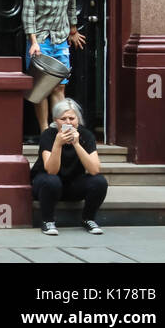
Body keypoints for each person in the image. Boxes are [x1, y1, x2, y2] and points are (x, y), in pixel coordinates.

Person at [23, 0, 84, 137]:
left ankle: (60, 131)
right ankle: (44, 134)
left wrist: (73, 30)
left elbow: (72, 3)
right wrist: (33, 41)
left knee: (59, 88)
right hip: (40, 41)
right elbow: (28, 11)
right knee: (40, 90)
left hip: (61, 40)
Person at [32, 98, 107, 235]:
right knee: (51, 181)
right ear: (55, 120)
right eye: (63, 119)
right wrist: (58, 144)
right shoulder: (48, 135)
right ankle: (48, 221)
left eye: (72, 118)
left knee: (99, 181)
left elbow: (94, 169)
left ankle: (88, 219)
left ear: (78, 119)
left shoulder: (86, 135)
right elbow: (51, 170)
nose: (68, 122)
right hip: (47, 184)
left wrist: (76, 144)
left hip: (73, 183)